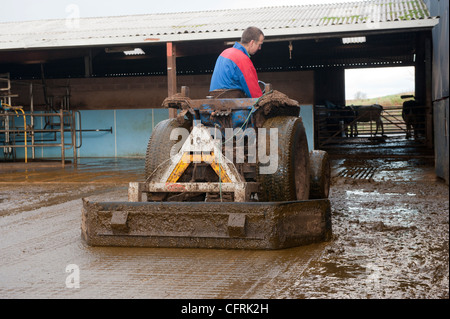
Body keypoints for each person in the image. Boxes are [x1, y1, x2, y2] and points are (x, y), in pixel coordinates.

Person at [210, 26, 264, 98]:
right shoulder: (241, 58)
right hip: (232, 104)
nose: (260, 48)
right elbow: (254, 92)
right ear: (252, 43)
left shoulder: (225, 52)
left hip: (215, 101)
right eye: (259, 44)